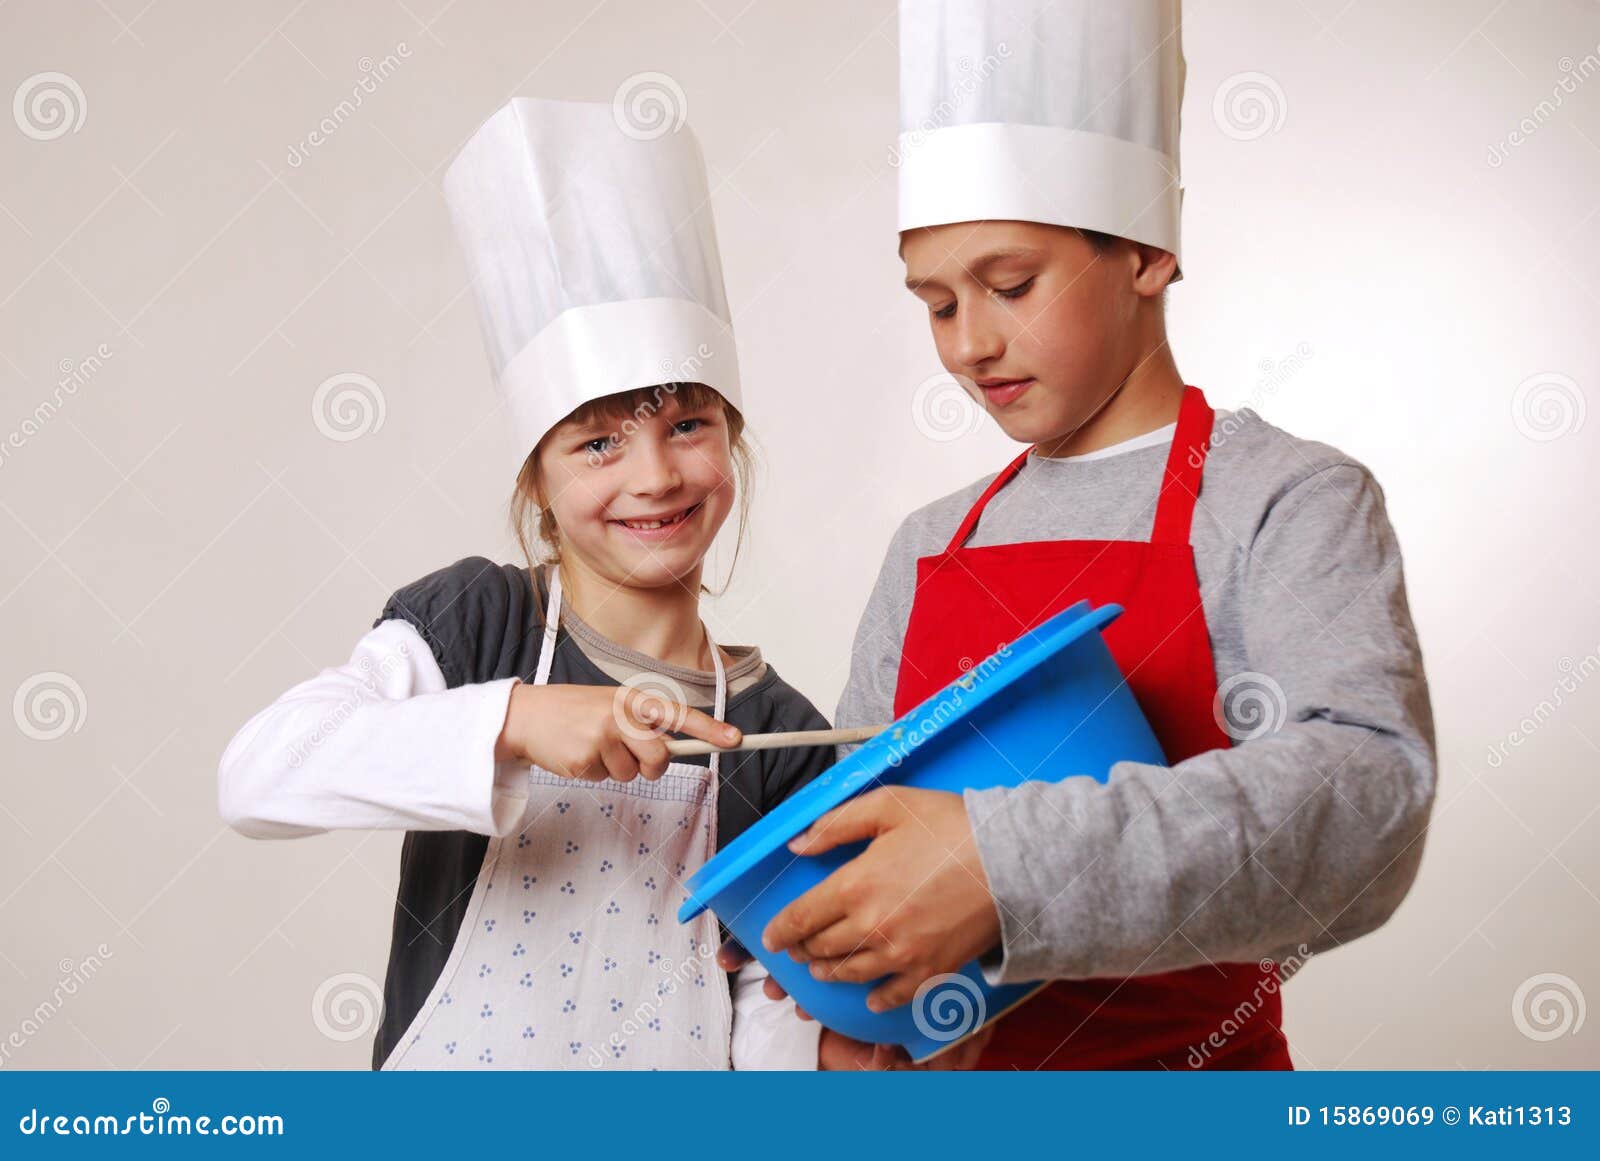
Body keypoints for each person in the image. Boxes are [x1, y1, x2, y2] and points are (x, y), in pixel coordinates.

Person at [743, 0, 1437, 1070]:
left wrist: (1001, 868)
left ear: (1147, 252)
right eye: (937, 304)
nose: (968, 345)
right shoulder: (929, 544)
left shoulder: (1282, 498)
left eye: (1010, 286)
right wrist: (845, 1008)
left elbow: (1365, 804)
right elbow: (854, 839)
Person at [218, 97, 830, 1070]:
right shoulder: (480, 623)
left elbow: (768, 1007)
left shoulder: (777, 732)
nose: (655, 477)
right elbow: (258, 777)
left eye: (687, 425)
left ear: (732, 438)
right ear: (536, 478)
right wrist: (513, 718)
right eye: (597, 443)